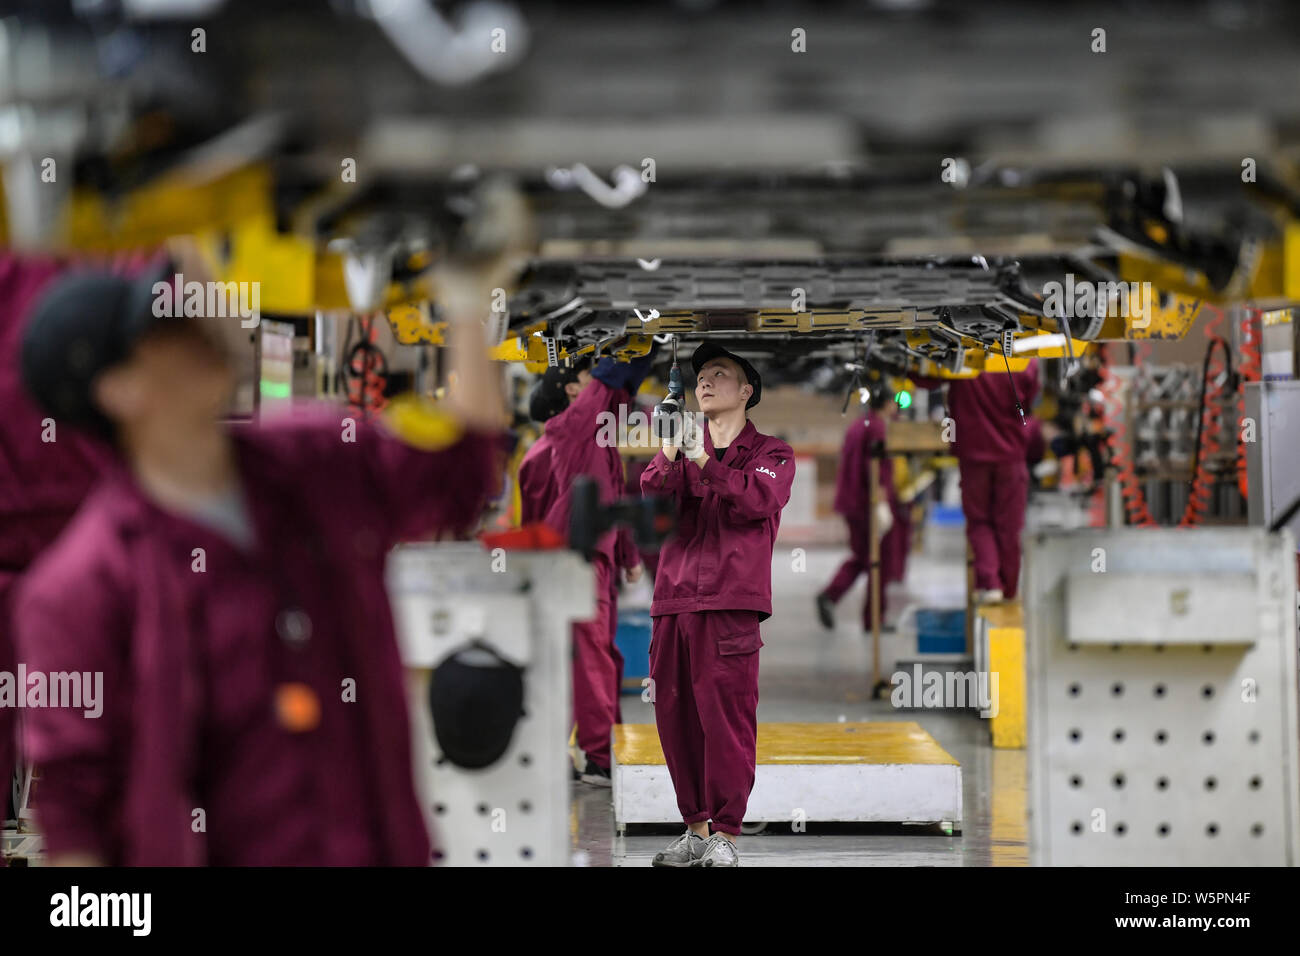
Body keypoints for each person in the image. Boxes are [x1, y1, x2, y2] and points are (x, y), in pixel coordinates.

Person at [12, 264, 507, 866]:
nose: (201, 334)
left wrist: (469, 302)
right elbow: (73, 813)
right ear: (119, 390)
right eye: (166, 331)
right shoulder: (82, 587)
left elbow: (456, 479)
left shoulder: (314, 463)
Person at [640, 342, 794, 867]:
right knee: (675, 719)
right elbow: (653, 499)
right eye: (701, 374)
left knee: (726, 721)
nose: (704, 381)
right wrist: (669, 450)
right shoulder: (683, 450)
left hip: (730, 605)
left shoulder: (772, 454)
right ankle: (697, 831)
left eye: (719, 373)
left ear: (746, 392)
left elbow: (758, 500)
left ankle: (727, 833)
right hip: (673, 603)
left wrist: (703, 460)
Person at [537, 351, 651, 786]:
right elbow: (607, 383)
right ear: (571, 388)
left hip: (595, 557)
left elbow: (613, 496)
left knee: (603, 654)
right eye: (584, 376)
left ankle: (598, 748)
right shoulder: (569, 427)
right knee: (591, 659)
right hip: (576, 557)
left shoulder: (599, 435)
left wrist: (629, 557)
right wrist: (631, 339)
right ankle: (599, 756)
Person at [911, 358, 1041, 602]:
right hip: (1010, 455)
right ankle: (1010, 590)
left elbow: (926, 378)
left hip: (973, 455)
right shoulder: (1025, 358)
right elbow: (1029, 400)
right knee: (1009, 527)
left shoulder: (965, 354)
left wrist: (906, 363)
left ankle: (991, 585)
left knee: (980, 522)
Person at [817, 388, 900, 632]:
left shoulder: (858, 425)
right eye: (893, 404)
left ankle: (833, 596)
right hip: (867, 504)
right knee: (877, 560)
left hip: (852, 502)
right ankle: (873, 619)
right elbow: (874, 466)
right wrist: (882, 498)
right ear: (886, 404)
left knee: (863, 556)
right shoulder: (877, 427)